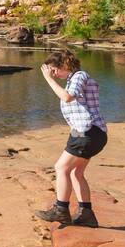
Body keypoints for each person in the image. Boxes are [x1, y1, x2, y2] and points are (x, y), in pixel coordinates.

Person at [34, 48, 108, 228]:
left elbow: (67, 97)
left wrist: (49, 79)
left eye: (54, 69)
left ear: (63, 65)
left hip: (87, 133)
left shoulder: (79, 76)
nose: (53, 73)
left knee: (61, 168)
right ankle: (86, 214)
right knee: (76, 172)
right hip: (90, 133)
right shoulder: (72, 79)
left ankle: (60, 209)